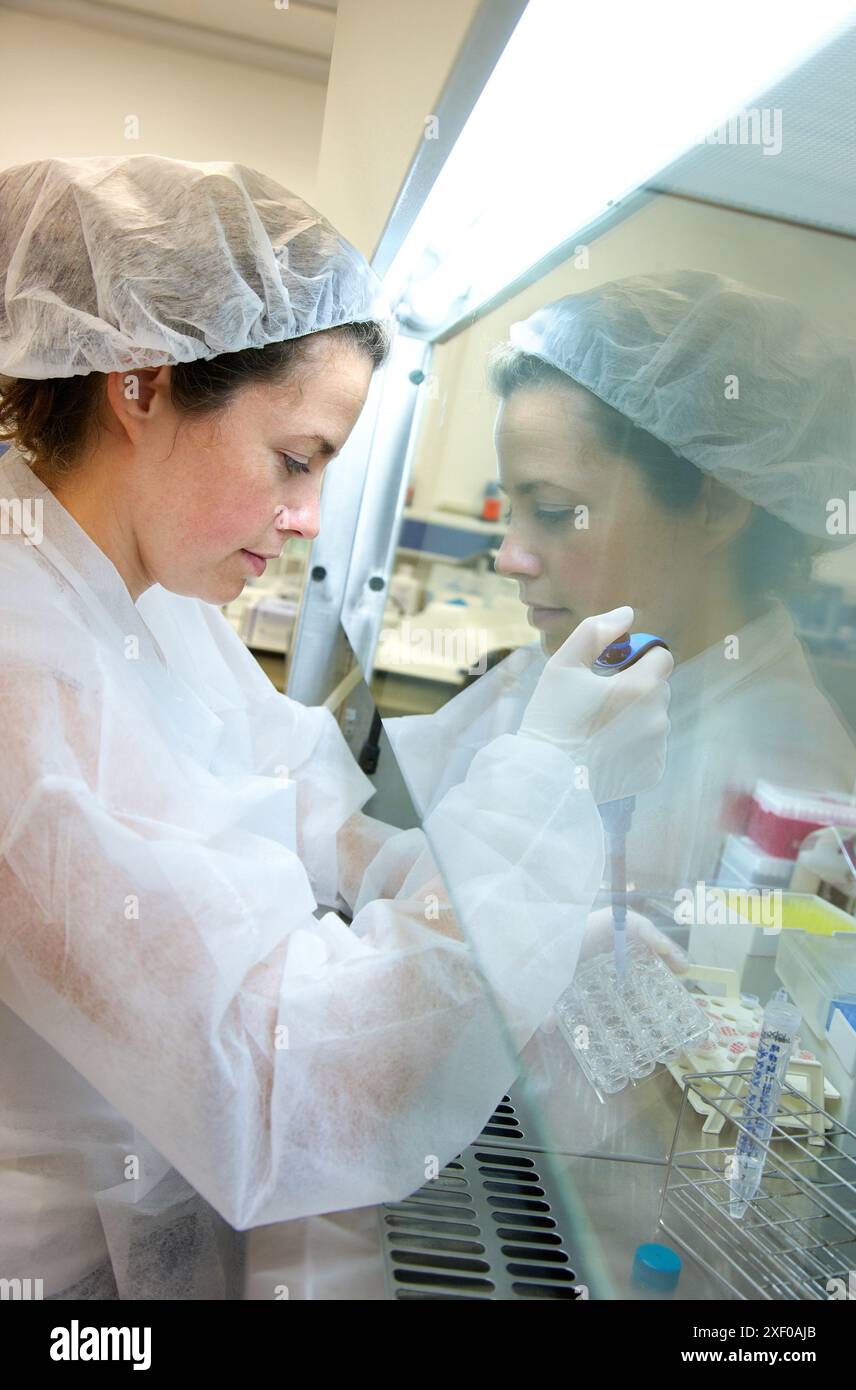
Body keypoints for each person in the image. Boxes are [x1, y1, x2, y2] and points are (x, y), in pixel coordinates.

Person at [0, 155, 672, 1299]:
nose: (306, 517)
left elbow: (297, 799)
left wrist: (529, 914)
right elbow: (296, 1078)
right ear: (145, 383)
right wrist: (543, 785)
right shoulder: (22, 668)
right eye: (293, 458)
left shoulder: (139, 594)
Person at [386, 272, 856, 893]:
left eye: (556, 511)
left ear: (715, 509)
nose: (509, 558)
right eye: (514, 509)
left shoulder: (778, 789)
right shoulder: (613, 662)